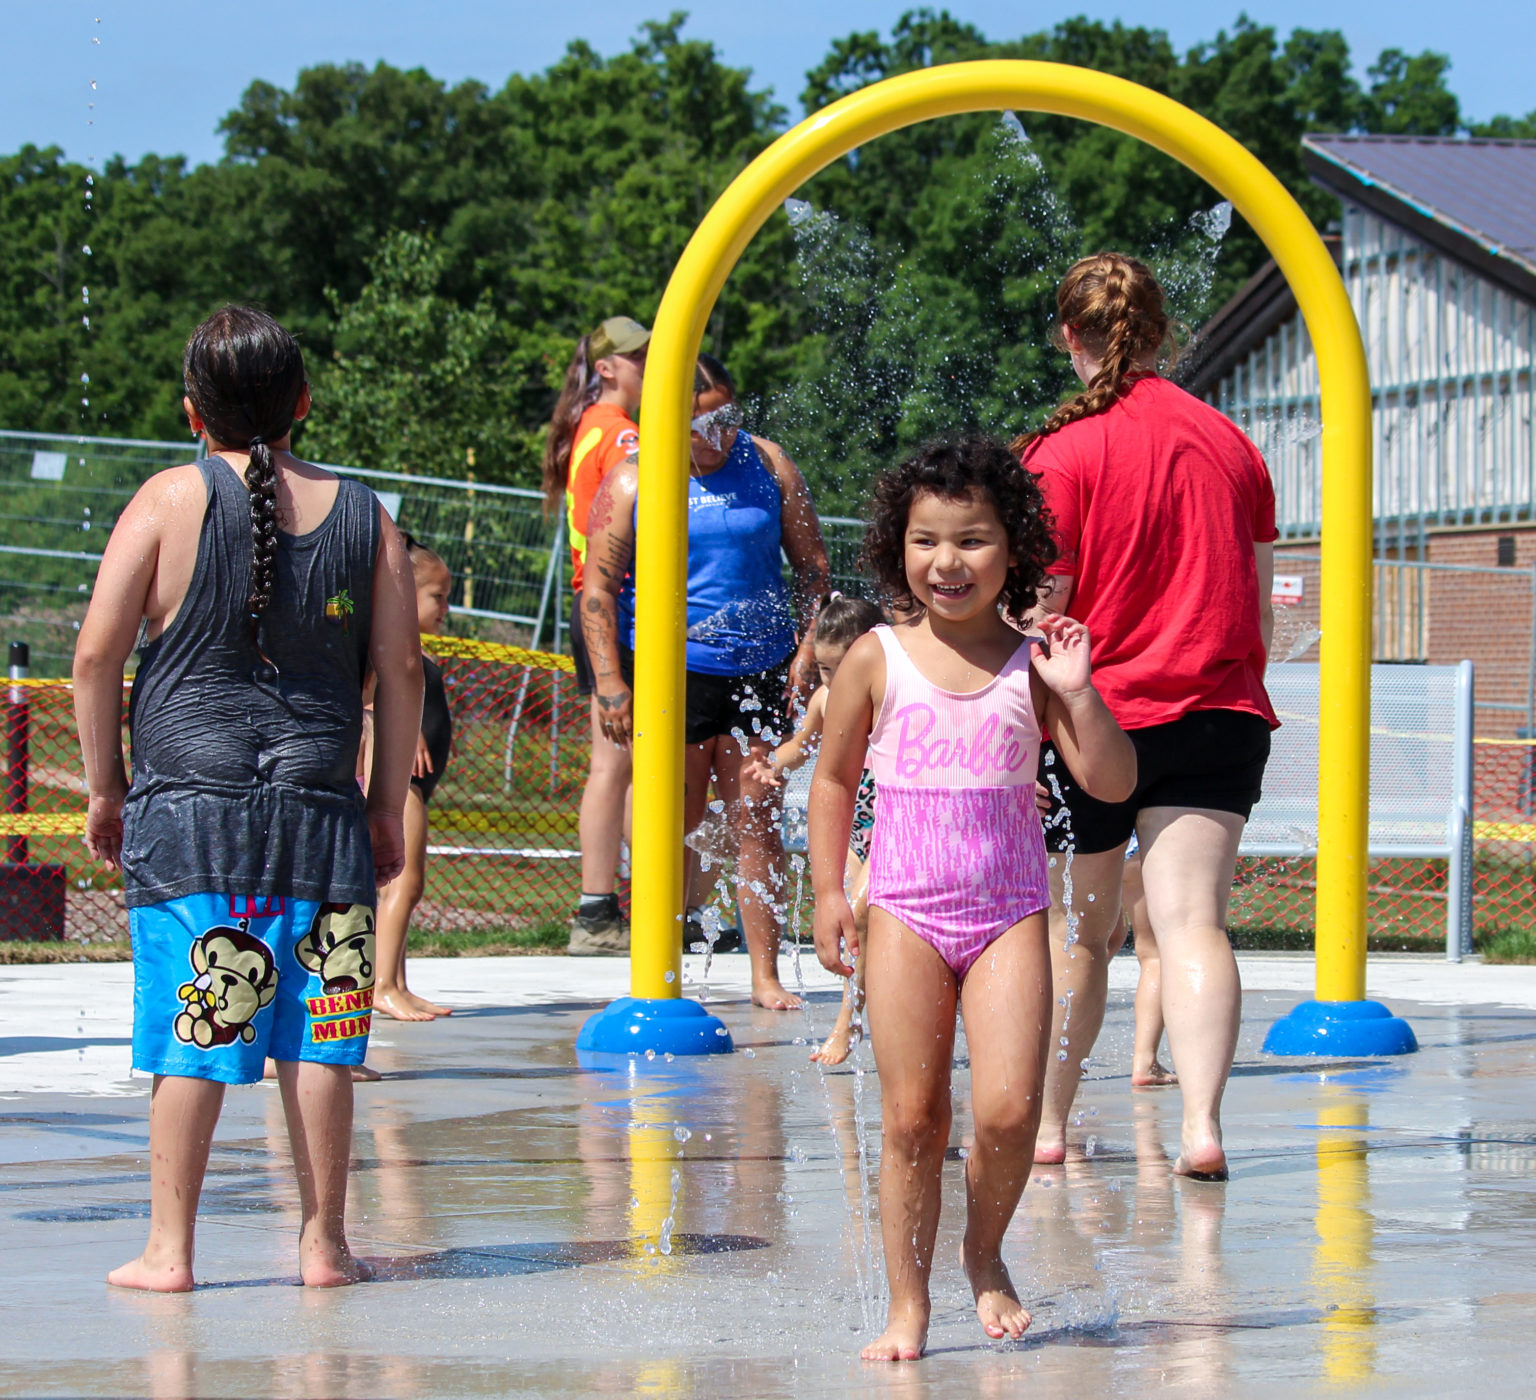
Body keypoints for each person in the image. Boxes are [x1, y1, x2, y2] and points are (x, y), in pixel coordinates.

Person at [73, 306, 422, 1291]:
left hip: (192, 817)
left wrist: (107, 784)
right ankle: (326, 1244)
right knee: (322, 1033)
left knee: (199, 1027)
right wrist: (385, 802)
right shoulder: (366, 515)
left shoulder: (164, 501)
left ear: (193, 412)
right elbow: (399, 670)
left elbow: (97, 655)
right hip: (322, 814)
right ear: (304, 403)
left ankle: (168, 1250)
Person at [808, 435, 1135, 1360]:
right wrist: (832, 891)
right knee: (914, 1119)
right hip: (904, 909)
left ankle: (983, 1254)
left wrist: (1081, 694)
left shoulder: (1033, 664)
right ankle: (908, 1305)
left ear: (1013, 551)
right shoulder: (876, 657)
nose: (947, 562)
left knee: (1005, 1111)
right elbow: (832, 782)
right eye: (926, 540)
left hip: (1007, 914)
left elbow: (1111, 783)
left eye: (974, 540)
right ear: (897, 547)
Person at [1017, 251, 1277, 1180]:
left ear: (1069, 337)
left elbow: (1047, 603)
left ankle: (1047, 1125)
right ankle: (1202, 1129)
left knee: (1082, 932)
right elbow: (1258, 607)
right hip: (1220, 708)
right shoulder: (1229, 441)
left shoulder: (1061, 451)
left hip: (1101, 718)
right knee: (1195, 924)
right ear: (1163, 335)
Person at [581, 354, 831, 1008]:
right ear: (671, 420)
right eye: (704, 421)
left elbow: (811, 567)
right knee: (678, 824)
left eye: (729, 415)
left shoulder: (769, 464)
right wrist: (610, 681)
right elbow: (598, 589)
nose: (721, 432)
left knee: (759, 821)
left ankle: (765, 974)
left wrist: (807, 648)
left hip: (763, 665)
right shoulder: (637, 480)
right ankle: (661, 965)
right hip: (673, 671)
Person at [540, 316, 649, 955]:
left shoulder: (588, 428)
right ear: (608, 367)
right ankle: (598, 910)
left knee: (624, 765)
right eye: (639, 359)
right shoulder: (622, 433)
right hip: (617, 607)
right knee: (616, 764)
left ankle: (615, 904)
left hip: (597, 604)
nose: (649, 369)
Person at [748, 592, 885, 1063]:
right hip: (852, 823)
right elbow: (802, 746)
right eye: (826, 670)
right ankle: (860, 1014)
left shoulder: (894, 691)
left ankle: (850, 1023)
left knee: (865, 914)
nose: (833, 680)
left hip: (895, 820)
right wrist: (774, 765)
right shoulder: (827, 700)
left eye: (843, 667)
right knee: (852, 919)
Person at [368, 534, 455, 1022]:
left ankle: (397, 980)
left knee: (400, 884)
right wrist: (405, 733)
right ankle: (382, 985)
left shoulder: (415, 651)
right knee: (404, 882)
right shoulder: (390, 651)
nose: (446, 607)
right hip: (399, 783)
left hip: (414, 783)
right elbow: (372, 699)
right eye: (437, 597)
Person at [1110, 840, 1177, 1087]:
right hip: (1135, 842)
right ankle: (1146, 1062)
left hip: (1088, 835)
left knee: (1087, 946)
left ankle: (1062, 1055)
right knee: (1154, 953)